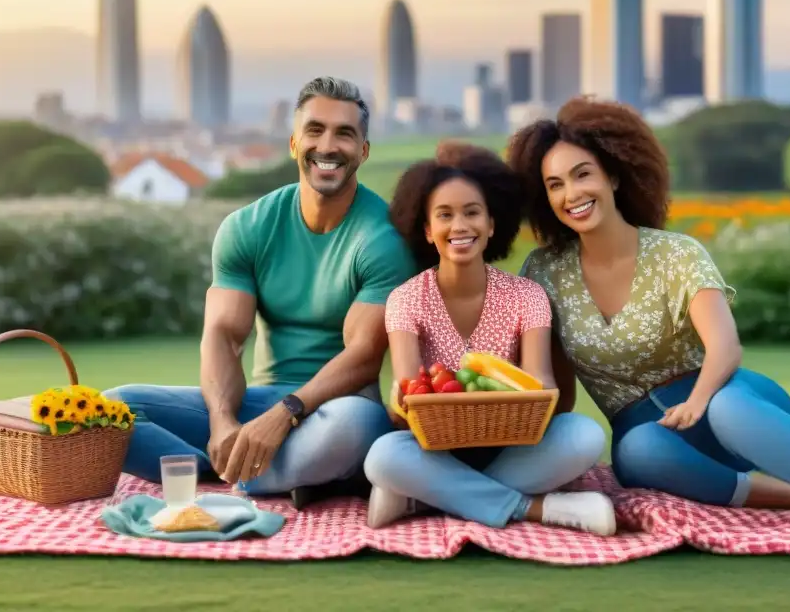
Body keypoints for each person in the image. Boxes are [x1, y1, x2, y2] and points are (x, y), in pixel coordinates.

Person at [507, 97, 790, 551]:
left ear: (613, 175)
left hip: (727, 399)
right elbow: (554, 382)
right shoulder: (544, 272)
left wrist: (698, 401)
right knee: (634, 454)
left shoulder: (676, 253)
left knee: (727, 409)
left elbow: (725, 346)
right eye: (554, 184)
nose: (571, 194)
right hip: (651, 436)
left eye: (583, 174)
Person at [104, 77, 415, 507]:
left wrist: (286, 413)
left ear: (363, 151)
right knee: (112, 410)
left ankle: (253, 477)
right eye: (315, 130)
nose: (328, 145)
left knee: (358, 422)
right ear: (294, 144)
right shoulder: (247, 227)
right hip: (257, 406)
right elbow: (223, 336)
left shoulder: (382, 238)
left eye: (344, 133)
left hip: (332, 411)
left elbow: (362, 358)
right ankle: (239, 468)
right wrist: (223, 422)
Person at [363, 142, 615, 536]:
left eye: (472, 212)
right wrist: (406, 401)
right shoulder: (406, 299)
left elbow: (542, 388)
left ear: (492, 224)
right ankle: (534, 508)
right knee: (382, 456)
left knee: (584, 435)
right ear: (427, 230)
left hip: (514, 447)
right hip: (434, 451)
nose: (460, 226)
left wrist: (497, 405)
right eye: (445, 215)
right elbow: (405, 407)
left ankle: (424, 497)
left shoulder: (526, 297)